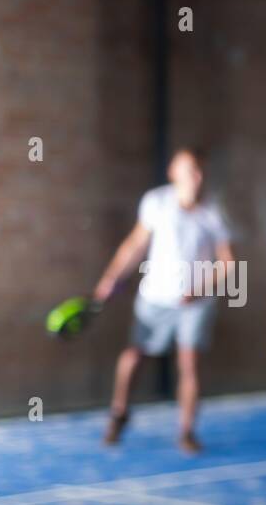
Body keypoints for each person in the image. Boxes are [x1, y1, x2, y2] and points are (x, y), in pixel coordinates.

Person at [93, 147, 234, 454]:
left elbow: (228, 263)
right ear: (174, 172)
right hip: (154, 298)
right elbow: (135, 244)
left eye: (199, 171)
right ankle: (119, 414)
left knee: (189, 363)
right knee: (132, 357)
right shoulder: (156, 202)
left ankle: (186, 431)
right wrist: (111, 278)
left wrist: (200, 288)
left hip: (195, 303)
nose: (196, 177)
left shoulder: (213, 211)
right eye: (190, 170)